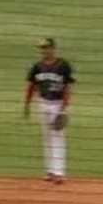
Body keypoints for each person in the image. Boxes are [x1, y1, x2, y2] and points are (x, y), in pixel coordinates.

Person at [23, 38, 75, 184]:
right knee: (46, 138)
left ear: (53, 48)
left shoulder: (63, 65)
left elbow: (68, 88)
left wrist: (65, 108)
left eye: (46, 48)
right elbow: (31, 86)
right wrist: (27, 104)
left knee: (57, 137)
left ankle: (59, 173)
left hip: (57, 104)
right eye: (42, 48)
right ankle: (50, 171)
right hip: (43, 103)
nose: (44, 51)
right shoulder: (37, 66)